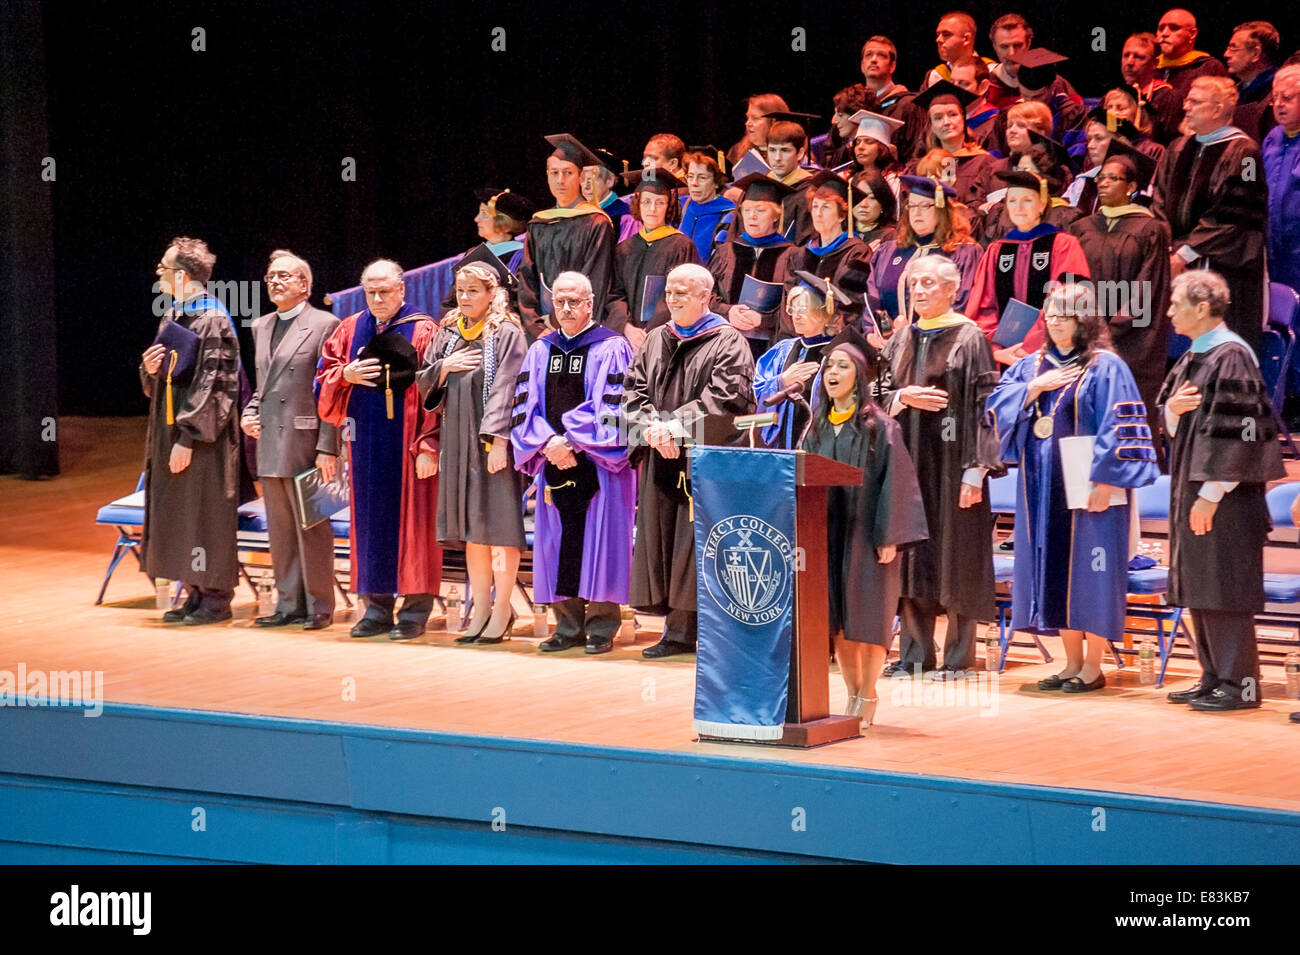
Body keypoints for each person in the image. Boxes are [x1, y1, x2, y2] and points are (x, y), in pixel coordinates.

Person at [986, 284, 1159, 693]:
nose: (1056, 322)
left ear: (1085, 320)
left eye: (1066, 315)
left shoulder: (1105, 366)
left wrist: (1105, 480)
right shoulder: (1031, 367)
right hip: (1040, 489)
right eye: (1051, 315)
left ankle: (1094, 666)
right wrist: (1035, 389)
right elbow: (993, 410)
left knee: (1090, 572)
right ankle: (1071, 663)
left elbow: (1121, 425)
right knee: (1052, 570)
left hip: (1089, 485)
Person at [1158, 270, 1284, 711]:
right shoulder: (1195, 354)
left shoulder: (1233, 356)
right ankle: (1213, 675)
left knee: (1225, 587)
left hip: (1224, 498)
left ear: (1204, 308)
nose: (1169, 311)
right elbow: (1172, 421)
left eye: (1176, 304)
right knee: (1202, 584)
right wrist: (1171, 411)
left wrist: (1211, 493)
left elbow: (1243, 433)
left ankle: (1240, 686)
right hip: (1192, 489)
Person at [622, 263, 756, 658]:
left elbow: (725, 400)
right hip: (661, 458)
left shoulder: (727, 340)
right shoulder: (655, 339)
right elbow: (633, 391)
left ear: (704, 296)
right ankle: (674, 629)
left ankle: (697, 632)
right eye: (669, 292)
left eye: (682, 292)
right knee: (664, 540)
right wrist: (650, 430)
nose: (672, 299)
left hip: (704, 463)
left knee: (696, 544)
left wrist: (674, 429)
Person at [882, 254, 1003, 679]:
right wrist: (902, 399)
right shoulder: (900, 339)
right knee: (912, 553)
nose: (919, 290)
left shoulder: (970, 338)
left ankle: (959, 657)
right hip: (908, 464)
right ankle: (914, 654)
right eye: (915, 283)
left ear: (953, 290)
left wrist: (977, 469)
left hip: (954, 463)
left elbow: (986, 405)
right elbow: (876, 395)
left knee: (958, 556)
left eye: (930, 283)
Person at [804, 327, 928, 726]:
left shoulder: (880, 426)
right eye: (828, 367)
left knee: (868, 614)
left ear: (859, 374)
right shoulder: (816, 426)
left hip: (867, 533)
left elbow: (898, 481)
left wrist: (890, 535)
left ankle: (868, 694)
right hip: (827, 533)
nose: (832, 372)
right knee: (838, 615)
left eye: (842, 366)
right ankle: (850, 694)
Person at [316, 259, 443, 640]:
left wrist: (428, 445)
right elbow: (323, 377)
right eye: (370, 291)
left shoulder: (423, 330)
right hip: (365, 442)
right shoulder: (351, 328)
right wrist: (345, 375)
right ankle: (375, 608)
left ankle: (415, 611)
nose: (377, 298)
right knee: (370, 524)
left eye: (385, 291)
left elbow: (435, 391)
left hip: (408, 445)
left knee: (415, 524)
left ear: (402, 290)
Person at [510, 271, 636, 655]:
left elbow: (615, 408)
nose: (565, 308)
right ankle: (566, 624)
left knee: (601, 542)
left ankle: (601, 625)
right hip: (554, 460)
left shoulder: (612, 347)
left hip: (598, 464)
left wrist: (573, 441)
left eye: (573, 302)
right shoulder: (540, 350)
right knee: (557, 542)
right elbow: (522, 407)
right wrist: (547, 442)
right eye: (560, 301)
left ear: (590, 304)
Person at [417, 260, 527, 646]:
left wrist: (499, 440)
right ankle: (480, 607)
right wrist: (444, 368)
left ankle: (502, 609)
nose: (465, 298)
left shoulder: (507, 332)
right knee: (473, 530)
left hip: (490, 443)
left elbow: (511, 387)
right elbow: (424, 378)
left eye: (473, 291)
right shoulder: (449, 332)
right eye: (461, 291)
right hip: (458, 442)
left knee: (500, 528)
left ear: (491, 293)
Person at [139, 237, 240, 625]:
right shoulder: (173, 315)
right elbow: (165, 379)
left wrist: (188, 437)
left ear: (182, 275)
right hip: (169, 428)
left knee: (205, 511)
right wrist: (150, 370)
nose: (159, 273)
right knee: (183, 512)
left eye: (163, 268)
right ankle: (194, 593)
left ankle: (216, 599)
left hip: (203, 438)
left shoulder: (213, 318)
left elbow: (215, 384)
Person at [240, 249, 339, 630]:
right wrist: (250, 414)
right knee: (280, 529)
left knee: (312, 528)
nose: (275, 282)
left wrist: (328, 445)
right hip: (269, 442)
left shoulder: (325, 324)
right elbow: (261, 387)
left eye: (284, 276)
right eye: (271, 277)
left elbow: (332, 391)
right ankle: (287, 605)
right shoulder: (261, 326)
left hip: (308, 441)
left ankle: (319, 606)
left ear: (305, 284)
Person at [1068, 149, 1172, 456]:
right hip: (1086, 335)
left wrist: (1114, 328)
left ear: (1131, 187)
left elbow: (1148, 286)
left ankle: (1139, 477)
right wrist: (1085, 327)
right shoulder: (1082, 227)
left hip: (1135, 338)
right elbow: (1072, 281)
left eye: (1113, 178)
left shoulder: (1150, 228)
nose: (1104, 183)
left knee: (1131, 406)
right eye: (1101, 177)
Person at [1152, 76, 1268, 350]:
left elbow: (1237, 214)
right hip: (1177, 260)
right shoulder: (1177, 148)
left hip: (1223, 267)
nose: (1186, 107)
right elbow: (1159, 202)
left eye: (1194, 102)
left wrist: (1185, 253)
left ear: (1217, 110)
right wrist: (1167, 247)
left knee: (1218, 348)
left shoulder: (1246, 153)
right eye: (1187, 100)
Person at [968, 169, 1091, 365]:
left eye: (1027, 200)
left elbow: (1066, 300)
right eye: (1013, 201)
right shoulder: (997, 251)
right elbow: (984, 307)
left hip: (1051, 352)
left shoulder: (1063, 245)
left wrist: (1030, 346)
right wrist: (996, 349)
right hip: (1004, 357)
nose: (1019, 207)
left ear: (1042, 204)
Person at [517, 133, 616, 340]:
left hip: (578, 328)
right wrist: (536, 326)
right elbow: (527, 281)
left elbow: (595, 281)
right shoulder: (538, 224)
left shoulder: (597, 222)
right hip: (540, 331)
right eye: (554, 173)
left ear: (581, 177)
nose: (560, 180)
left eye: (568, 173)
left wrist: (557, 322)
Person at [867, 175, 981, 331]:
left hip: (940, 345)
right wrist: (875, 333)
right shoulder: (888, 251)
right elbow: (873, 300)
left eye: (925, 206)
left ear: (942, 210)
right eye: (912, 206)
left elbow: (961, 303)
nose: (917, 212)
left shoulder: (964, 252)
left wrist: (916, 335)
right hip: (889, 346)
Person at [605, 167, 701, 349]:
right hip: (628, 340)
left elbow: (686, 294)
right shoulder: (623, 249)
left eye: (660, 203)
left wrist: (652, 331)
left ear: (669, 206)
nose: (652, 209)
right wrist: (626, 327)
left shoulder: (681, 246)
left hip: (668, 339)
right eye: (647, 202)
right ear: (638, 205)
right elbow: (613, 294)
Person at [706, 173, 794, 361]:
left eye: (760, 210)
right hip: (725, 346)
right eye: (747, 210)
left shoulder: (792, 255)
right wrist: (728, 311)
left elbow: (795, 309)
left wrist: (764, 320)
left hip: (770, 349)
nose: (752, 216)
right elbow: (705, 295)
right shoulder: (726, 251)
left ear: (776, 214)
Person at [754, 272, 847, 448]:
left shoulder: (839, 354)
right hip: (780, 452)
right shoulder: (782, 350)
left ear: (824, 312)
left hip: (822, 451)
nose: (795, 316)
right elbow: (756, 392)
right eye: (792, 309)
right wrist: (781, 382)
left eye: (803, 310)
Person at [777, 170, 874, 333]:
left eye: (826, 207)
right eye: (815, 207)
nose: (818, 214)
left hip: (832, 341)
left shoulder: (857, 253)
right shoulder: (799, 254)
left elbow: (853, 306)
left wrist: (825, 332)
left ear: (842, 215)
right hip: (800, 339)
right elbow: (787, 303)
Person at [440, 187, 538, 312]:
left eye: (484, 214)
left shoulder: (522, 258)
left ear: (503, 221)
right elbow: (451, 303)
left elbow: (523, 305)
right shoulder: (472, 254)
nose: (476, 219)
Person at [907, 80, 994, 207]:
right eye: (938, 118)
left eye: (952, 114)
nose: (946, 122)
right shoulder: (919, 167)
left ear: (963, 118)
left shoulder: (983, 163)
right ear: (931, 126)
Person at [858, 35, 929, 163]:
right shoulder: (852, 106)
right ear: (862, 66)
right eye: (869, 55)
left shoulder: (909, 106)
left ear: (892, 66)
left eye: (881, 55)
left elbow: (917, 155)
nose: (874, 60)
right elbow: (829, 156)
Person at [1263, 64, 1300, 293]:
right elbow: (1250, 174)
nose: (1278, 104)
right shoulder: (1271, 138)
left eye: (1286, 98)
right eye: (1275, 97)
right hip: (1273, 246)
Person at [764, 115, 819, 244]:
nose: (777, 158)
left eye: (784, 151)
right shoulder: (759, 187)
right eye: (772, 150)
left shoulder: (808, 192)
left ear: (800, 153)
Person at [1121, 31, 1183, 144]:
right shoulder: (1114, 96)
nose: (1129, 62)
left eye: (1139, 57)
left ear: (1155, 63)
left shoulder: (1168, 98)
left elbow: (1170, 143)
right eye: (1126, 55)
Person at [1155, 8, 1229, 104]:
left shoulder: (1209, 68)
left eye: (1174, 28)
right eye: (1161, 28)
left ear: (1192, 34)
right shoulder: (1150, 67)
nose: (1164, 33)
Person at [1224, 20, 1281, 140]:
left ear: (1255, 53)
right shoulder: (1234, 92)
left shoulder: (1278, 96)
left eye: (1233, 48)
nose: (1226, 54)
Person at [680, 149, 737, 260]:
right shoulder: (681, 205)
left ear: (716, 182)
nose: (694, 183)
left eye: (702, 178)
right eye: (690, 176)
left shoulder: (729, 215)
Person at [922, 12, 992, 90]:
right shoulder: (934, 76)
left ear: (966, 39)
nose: (938, 40)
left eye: (946, 34)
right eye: (938, 34)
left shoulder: (992, 72)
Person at [582, 147, 639, 243]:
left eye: (593, 178)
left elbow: (627, 255)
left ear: (610, 181)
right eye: (583, 178)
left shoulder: (626, 217)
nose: (586, 185)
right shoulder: (580, 213)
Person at [726, 92, 789, 173]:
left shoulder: (791, 153)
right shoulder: (737, 150)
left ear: (774, 121)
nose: (748, 123)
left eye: (755, 118)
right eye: (748, 118)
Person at [950, 57, 1000, 148]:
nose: (954, 90)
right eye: (952, 83)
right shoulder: (944, 119)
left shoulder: (995, 125)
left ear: (983, 87)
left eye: (963, 83)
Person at [986, 13, 1033, 110]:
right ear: (994, 46)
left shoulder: (1052, 84)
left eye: (1018, 45)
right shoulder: (985, 87)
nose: (1011, 53)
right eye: (1004, 47)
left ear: (1028, 43)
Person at [849, 170, 898, 253]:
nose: (863, 204)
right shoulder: (841, 233)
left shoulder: (890, 237)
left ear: (882, 203)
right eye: (859, 196)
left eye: (872, 198)